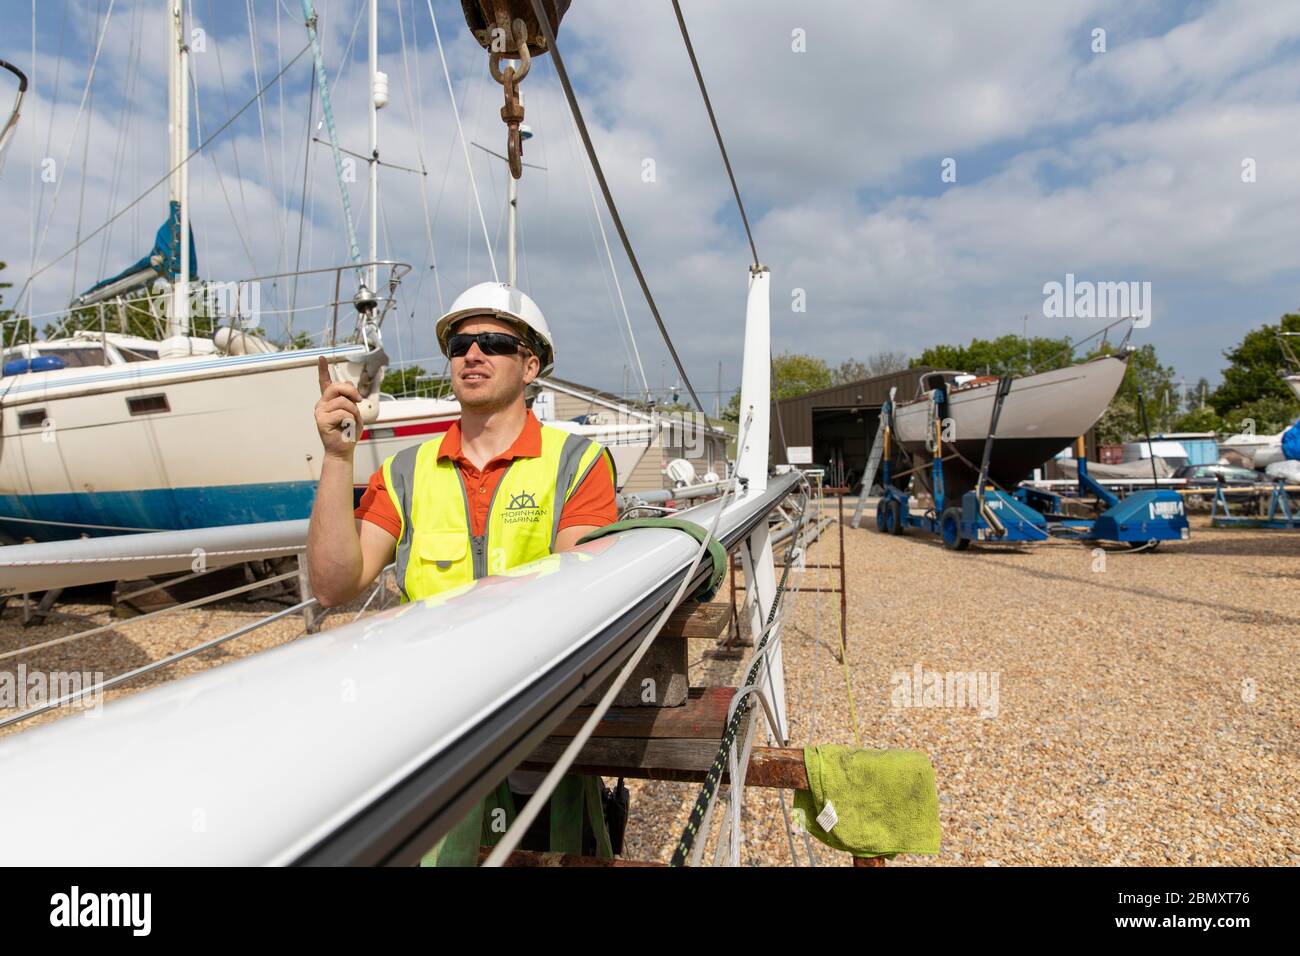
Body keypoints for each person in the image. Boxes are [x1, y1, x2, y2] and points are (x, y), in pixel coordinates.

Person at [306, 281, 618, 860]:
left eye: (494, 342)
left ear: (530, 366)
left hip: (537, 707)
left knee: (546, 837)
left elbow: (582, 588)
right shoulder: (405, 470)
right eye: (460, 343)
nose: (472, 354)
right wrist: (336, 456)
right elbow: (334, 584)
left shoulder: (577, 462)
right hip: (429, 715)